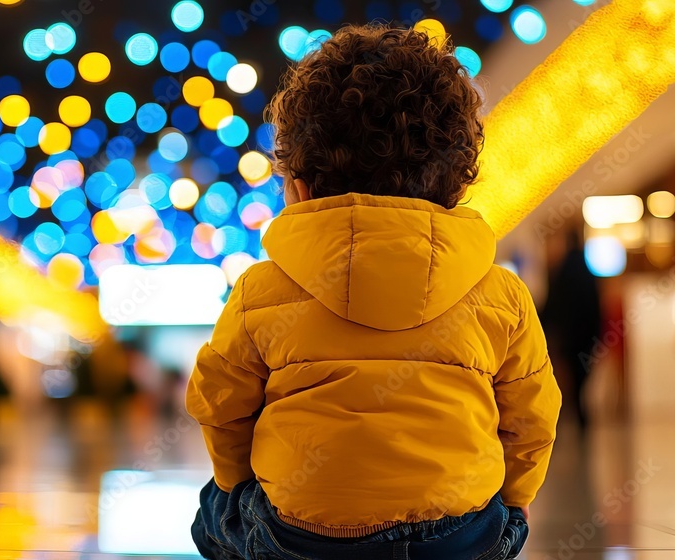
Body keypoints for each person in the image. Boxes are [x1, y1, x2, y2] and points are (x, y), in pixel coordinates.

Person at [186, 24, 561, 560]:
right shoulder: (501, 294)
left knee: (214, 508)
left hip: (300, 540)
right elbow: (533, 420)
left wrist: (241, 478)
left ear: (299, 183)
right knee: (497, 517)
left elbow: (219, 406)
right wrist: (516, 497)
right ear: (456, 180)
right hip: (458, 541)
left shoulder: (259, 292)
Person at [541, 228, 602, 431]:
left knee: (571, 381)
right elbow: (596, 307)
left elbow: (555, 308)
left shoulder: (563, 272)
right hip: (587, 339)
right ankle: (581, 421)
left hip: (570, 340)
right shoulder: (585, 271)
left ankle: (575, 420)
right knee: (580, 380)